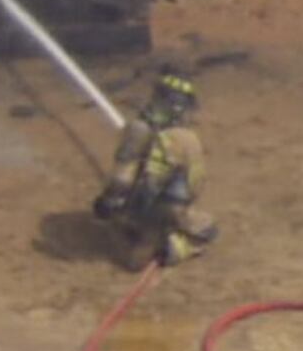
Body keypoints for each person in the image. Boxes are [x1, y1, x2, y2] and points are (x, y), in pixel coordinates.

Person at [91, 69, 218, 270]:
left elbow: (124, 180)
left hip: (150, 207)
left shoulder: (143, 131)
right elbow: (195, 182)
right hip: (177, 206)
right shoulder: (189, 138)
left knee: (138, 253)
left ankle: (162, 242)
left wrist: (108, 203)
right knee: (207, 229)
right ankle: (170, 241)